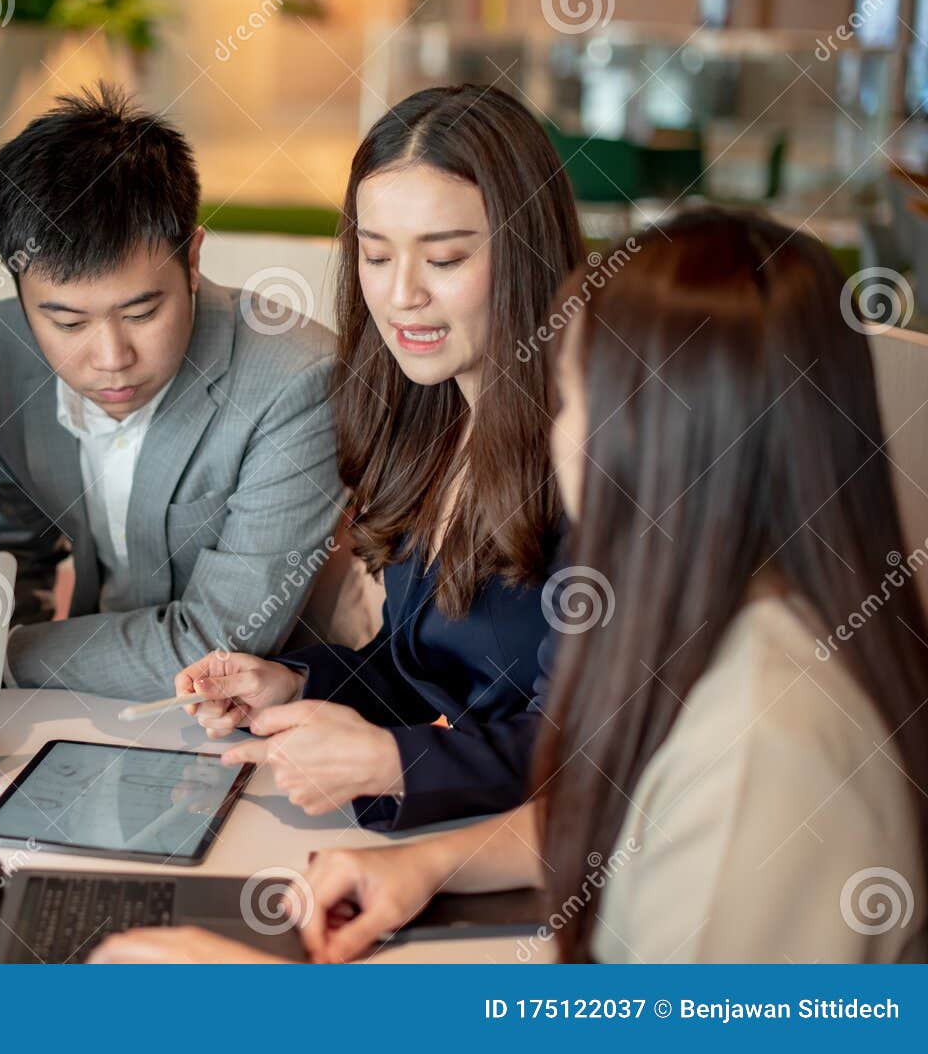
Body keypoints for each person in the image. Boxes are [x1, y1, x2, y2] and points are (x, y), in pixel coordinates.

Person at [94, 208, 928, 964]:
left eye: (571, 397)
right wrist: (433, 863)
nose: (552, 429)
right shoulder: (739, 629)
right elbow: (614, 811)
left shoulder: (764, 744)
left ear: (655, 438)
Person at [175, 85, 580, 831]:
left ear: (528, 255)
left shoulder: (595, 452)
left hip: (534, 854)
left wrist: (393, 764)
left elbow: (583, 742)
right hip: (448, 828)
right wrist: (294, 684)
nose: (401, 295)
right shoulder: (425, 421)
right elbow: (415, 673)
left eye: (445, 258)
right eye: (376, 254)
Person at [0, 85, 342, 697]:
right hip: (75, 702)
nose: (112, 359)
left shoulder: (297, 378)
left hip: (259, 716)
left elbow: (220, 644)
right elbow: (6, 563)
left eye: (142, 313)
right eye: (68, 324)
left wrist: (0, 659)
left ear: (192, 260)